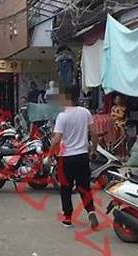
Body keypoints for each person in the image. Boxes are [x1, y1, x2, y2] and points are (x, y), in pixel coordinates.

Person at [50, 87, 99, 229]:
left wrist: (50, 153)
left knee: (66, 187)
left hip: (65, 158)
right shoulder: (85, 113)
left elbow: (57, 138)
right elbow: (94, 134)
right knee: (84, 186)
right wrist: (94, 150)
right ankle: (90, 211)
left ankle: (67, 218)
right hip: (82, 156)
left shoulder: (62, 116)